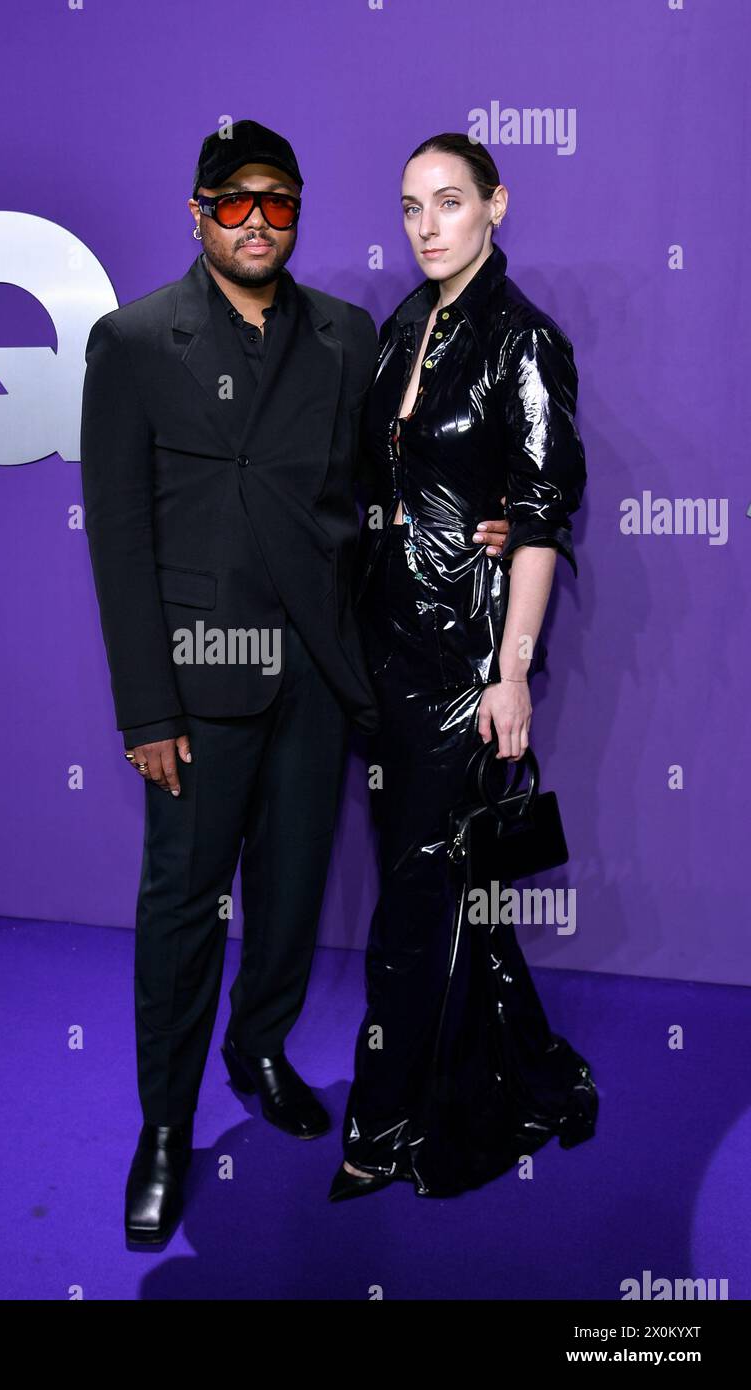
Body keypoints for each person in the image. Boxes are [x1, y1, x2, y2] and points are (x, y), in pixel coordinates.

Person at [80, 118, 515, 1246]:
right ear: (198, 211)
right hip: (196, 685)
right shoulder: (131, 342)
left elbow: (395, 474)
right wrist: (145, 707)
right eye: (235, 201)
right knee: (182, 909)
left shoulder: (345, 334)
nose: (258, 220)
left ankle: (260, 1046)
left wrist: (487, 517)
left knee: (288, 893)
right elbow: (119, 541)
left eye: (279, 201)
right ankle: (165, 1128)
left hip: (320, 678)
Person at [330, 133, 598, 1202]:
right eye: (409, 207)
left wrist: (513, 671)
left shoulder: (524, 339)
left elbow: (538, 520)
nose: (427, 225)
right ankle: (536, 1078)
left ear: (496, 204)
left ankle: (385, 1124)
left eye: (448, 202)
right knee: (451, 888)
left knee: (412, 899)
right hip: (384, 644)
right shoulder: (405, 327)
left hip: (465, 657)